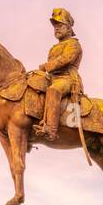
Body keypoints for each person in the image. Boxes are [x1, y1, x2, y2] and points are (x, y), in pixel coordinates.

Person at [32, 8, 84, 140]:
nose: (56, 29)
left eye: (60, 25)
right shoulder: (53, 48)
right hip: (52, 78)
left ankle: (51, 130)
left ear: (68, 28)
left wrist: (46, 66)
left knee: (54, 91)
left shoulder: (74, 44)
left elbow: (65, 60)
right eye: (55, 26)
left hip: (68, 79)